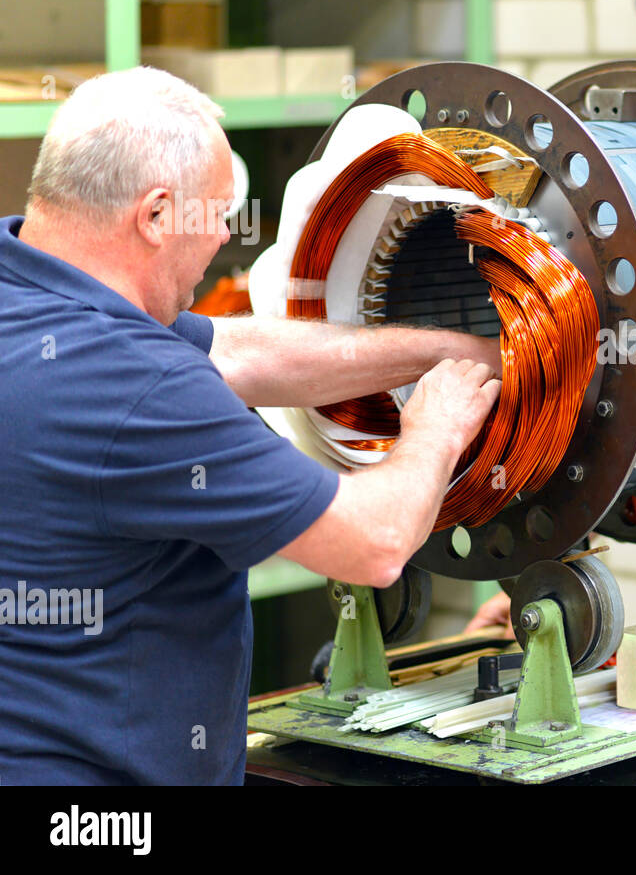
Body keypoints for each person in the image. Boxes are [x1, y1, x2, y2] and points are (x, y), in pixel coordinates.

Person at [0, 67, 501, 784]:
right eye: (217, 219)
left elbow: (240, 349)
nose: (222, 249)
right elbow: (375, 542)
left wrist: (458, 351)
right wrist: (436, 426)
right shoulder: (143, 386)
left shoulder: (29, 281)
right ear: (156, 215)